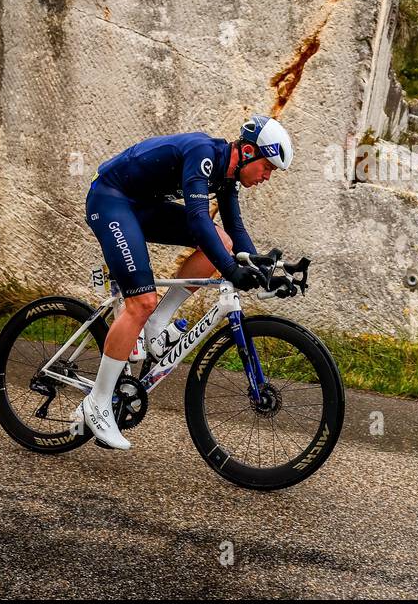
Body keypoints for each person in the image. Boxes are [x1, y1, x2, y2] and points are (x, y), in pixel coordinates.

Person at [78, 115, 294, 450]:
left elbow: (236, 234)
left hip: (142, 207)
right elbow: (195, 218)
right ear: (249, 152)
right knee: (141, 301)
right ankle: (98, 403)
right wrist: (230, 270)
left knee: (221, 243)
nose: (267, 176)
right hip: (111, 200)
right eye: (267, 167)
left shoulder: (227, 177)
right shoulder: (203, 153)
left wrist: (265, 272)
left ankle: (158, 321)